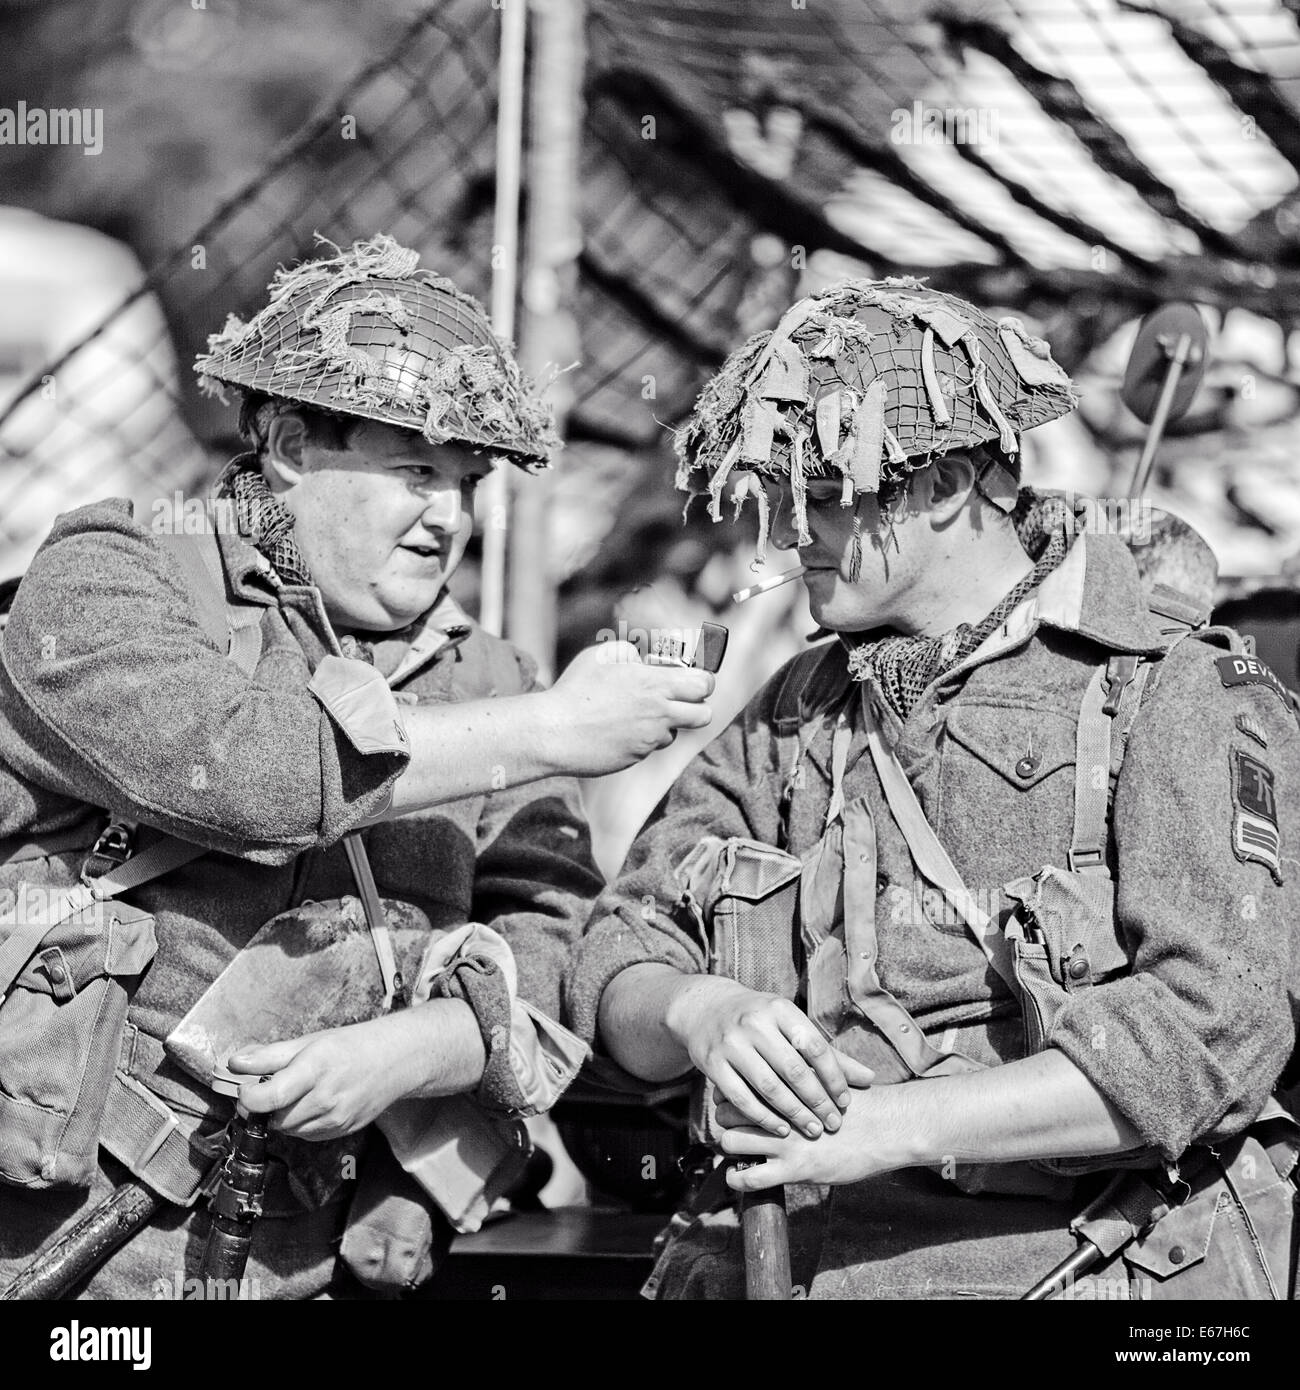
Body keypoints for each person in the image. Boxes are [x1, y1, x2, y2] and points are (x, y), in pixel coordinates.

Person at [0, 234, 713, 1299]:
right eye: (416, 472)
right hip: (55, 1241)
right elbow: (244, 772)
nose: (451, 518)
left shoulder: (487, 674)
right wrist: (550, 727)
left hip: (309, 1252)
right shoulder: (108, 575)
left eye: (468, 483)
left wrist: (425, 1053)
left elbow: (552, 937)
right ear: (288, 442)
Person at [567, 276, 1300, 1300]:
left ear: (950, 483)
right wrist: (700, 1011)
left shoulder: (1175, 694)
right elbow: (615, 953)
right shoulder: (797, 707)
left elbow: (1213, 1028)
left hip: (1071, 1268)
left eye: (821, 497)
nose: (788, 536)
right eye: (777, 502)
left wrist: (884, 1129)